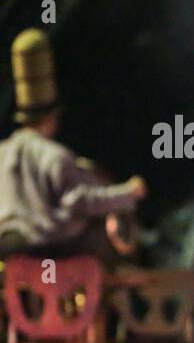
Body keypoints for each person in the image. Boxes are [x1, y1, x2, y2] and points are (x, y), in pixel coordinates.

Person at [0, 29, 145, 261]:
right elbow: (81, 200)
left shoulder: (2, 153)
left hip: (7, 246)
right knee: (98, 236)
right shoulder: (54, 156)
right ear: (52, 117)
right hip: (48, 245)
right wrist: (127, 193)